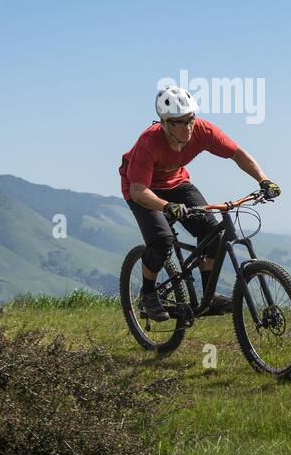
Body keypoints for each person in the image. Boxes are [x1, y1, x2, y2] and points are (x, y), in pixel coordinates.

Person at [119, 86, 280, 321]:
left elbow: (237, 154)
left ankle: (208, 296)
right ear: (164, 122)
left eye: (190, 119)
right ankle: (148, 293)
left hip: (177, 184)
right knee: (162, 241)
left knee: (213, 232)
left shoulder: (203, 130)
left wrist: (263, 179)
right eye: (180, 122)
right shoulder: (149, 142)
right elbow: (138, 190)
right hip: (142, 190)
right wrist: (165, 206)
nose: (188, 127)